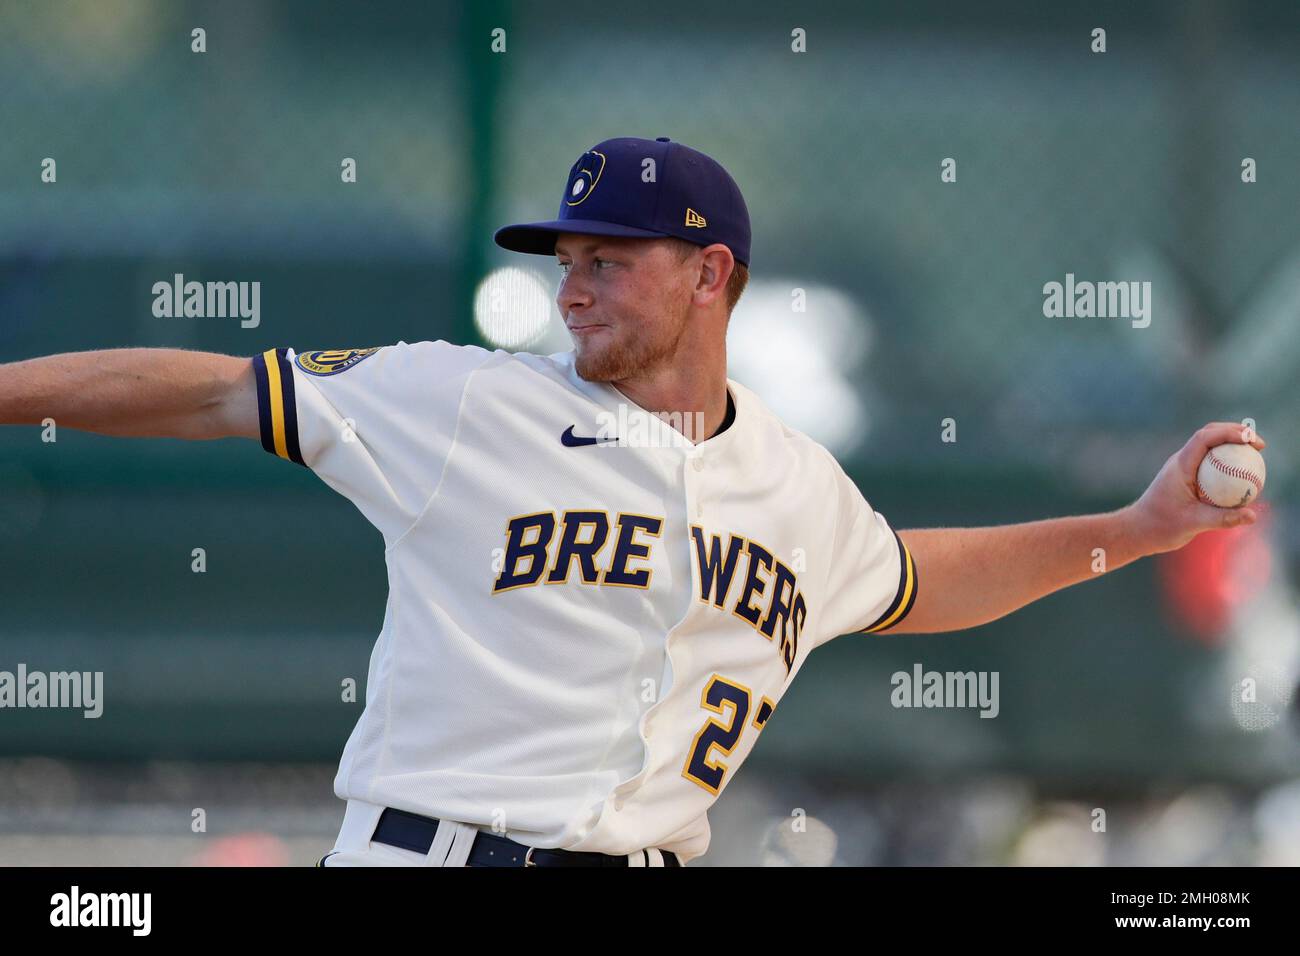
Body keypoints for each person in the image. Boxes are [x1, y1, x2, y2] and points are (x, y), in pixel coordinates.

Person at [0, 136, 1264, 866]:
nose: (572, 288)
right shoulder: (460, 402)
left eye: (608, 259)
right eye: (566, 262)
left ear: (712, 274)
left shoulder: (796, 485)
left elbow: (924, 580)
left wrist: (1143, 526)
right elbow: (213, 389)